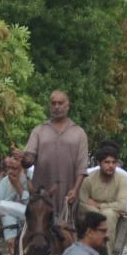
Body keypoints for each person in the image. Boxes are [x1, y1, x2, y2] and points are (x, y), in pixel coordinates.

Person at [24, 90, 89, 223]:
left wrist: (75, 190)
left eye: (60, 103)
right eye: (53, 103)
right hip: (42, 195)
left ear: (67, 106)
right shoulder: (38, 130)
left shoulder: (79, 133)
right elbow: (28, 161)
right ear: (50, 106)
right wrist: (22, 157)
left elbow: (81, 168)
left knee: (67, 233)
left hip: (68, 194)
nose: (57, 106)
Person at [0, 153, 31, 254]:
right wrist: (11, 204)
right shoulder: (5, 181)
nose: (10, 172)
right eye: (8, 168)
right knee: (7, 215)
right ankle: (12, 249)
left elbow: (30, 205)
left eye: (14, 168)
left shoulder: (28, 180)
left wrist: (18, 186)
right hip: (10, 214)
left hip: (28, 216)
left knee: (5, 208)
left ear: (22, 168)